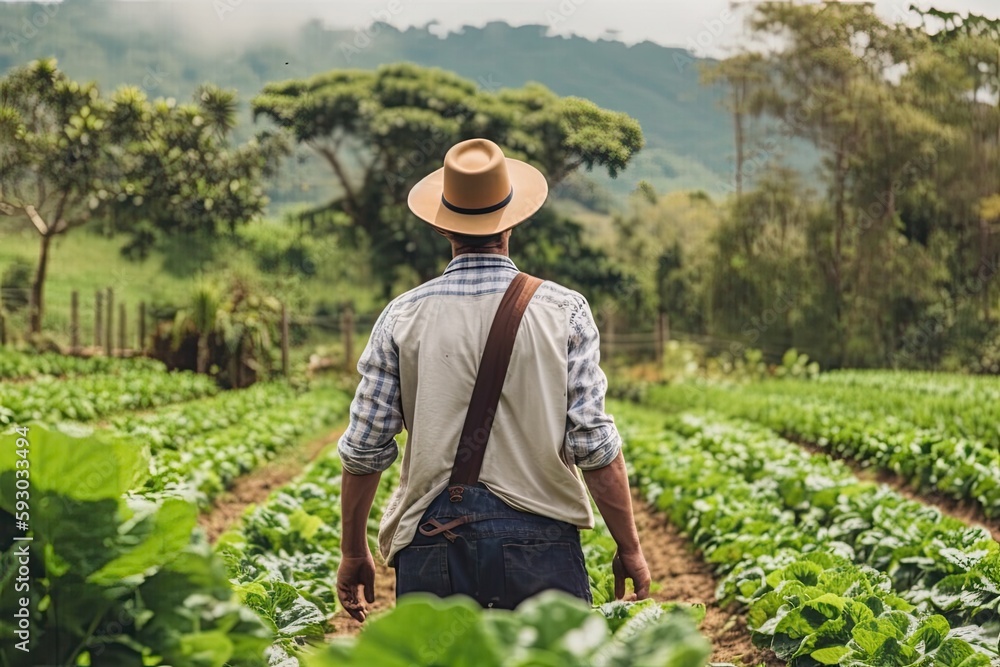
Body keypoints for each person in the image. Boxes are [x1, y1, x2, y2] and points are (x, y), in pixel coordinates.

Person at [335, 137, 650, 621]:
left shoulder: (402, 316)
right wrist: (629, 545)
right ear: (514, 220)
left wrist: (353, 552)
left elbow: (363, 449)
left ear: (444, 226)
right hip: (540, 547)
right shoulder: (564, 311)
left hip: (433, 545)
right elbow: (594, 444)